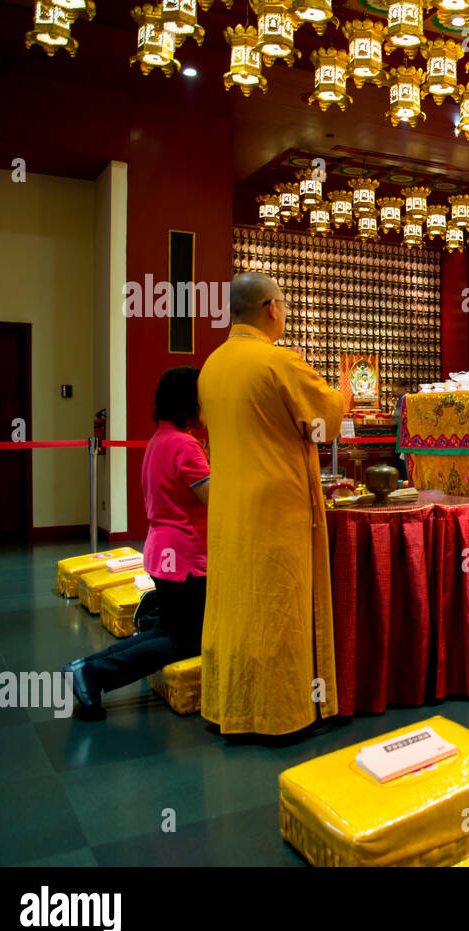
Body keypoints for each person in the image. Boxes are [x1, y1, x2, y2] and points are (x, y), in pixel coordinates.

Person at [196, 271, 348, 737]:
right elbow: (328, 421)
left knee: (236, 607)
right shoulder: (275, 362)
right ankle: (283, 713)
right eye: (283, 305)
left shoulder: (212, 365)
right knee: (279, 607)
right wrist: (343, 386)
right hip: (276, 508)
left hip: (228, 510)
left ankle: (232, 705)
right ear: (270, 309)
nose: (284, 312)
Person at [64, 367, 209, 718]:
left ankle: (85, 666)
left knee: (167, 629)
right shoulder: (184, 445)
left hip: (163, 550)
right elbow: (214, 498)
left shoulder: (161, 438)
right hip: (186, 556)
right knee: (184, 639)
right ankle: (94, 673)